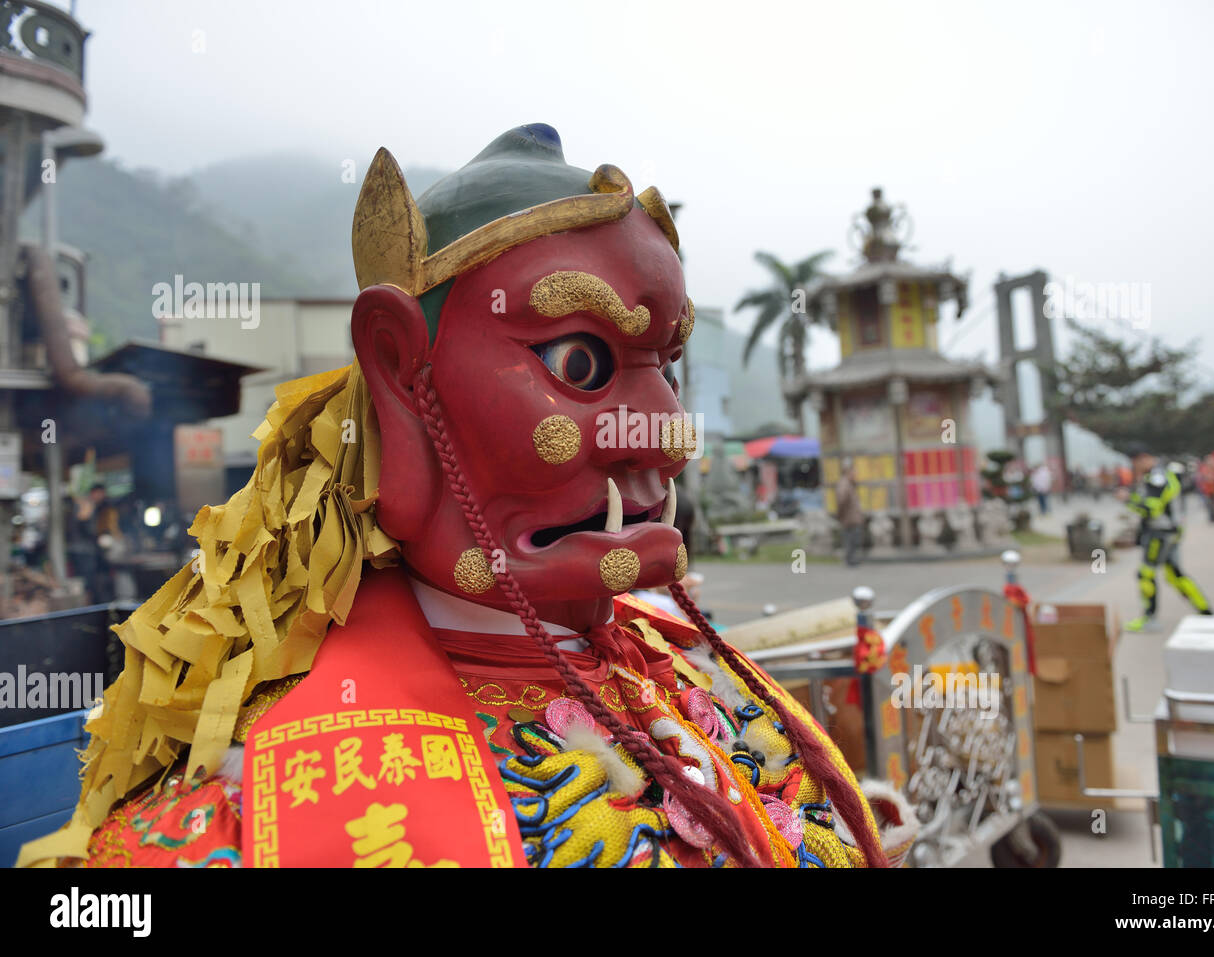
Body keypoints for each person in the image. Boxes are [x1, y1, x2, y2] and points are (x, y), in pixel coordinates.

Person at [21, 126, 912, 870]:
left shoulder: (680, 663)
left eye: (666, 366)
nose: (667, 428)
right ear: (403, 373)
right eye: (581, 362)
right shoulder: (245, 805)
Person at [1124, 451, 1213, 631]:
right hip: (1170, 532)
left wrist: (1127, 500)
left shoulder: (1157, 478)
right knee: (1174, 574)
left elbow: (1151, 509)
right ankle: (1205, 611)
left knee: (1146, 573)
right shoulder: (1159, 475)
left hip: (1159, 533)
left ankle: (1149, 618)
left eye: (1135, 462)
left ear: (1144, 459)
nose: (1135, 467)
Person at [836, 456, 865, 566]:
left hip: (852, 517)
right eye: (854, 471)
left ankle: (852, 559)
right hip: (849, 518)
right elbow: (842, 501)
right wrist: (842, 515)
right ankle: (850, 559)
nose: (856, 474)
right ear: (849, 471)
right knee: (850, 540)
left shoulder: (849, 483)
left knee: (853, 539)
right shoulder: (844, 484)